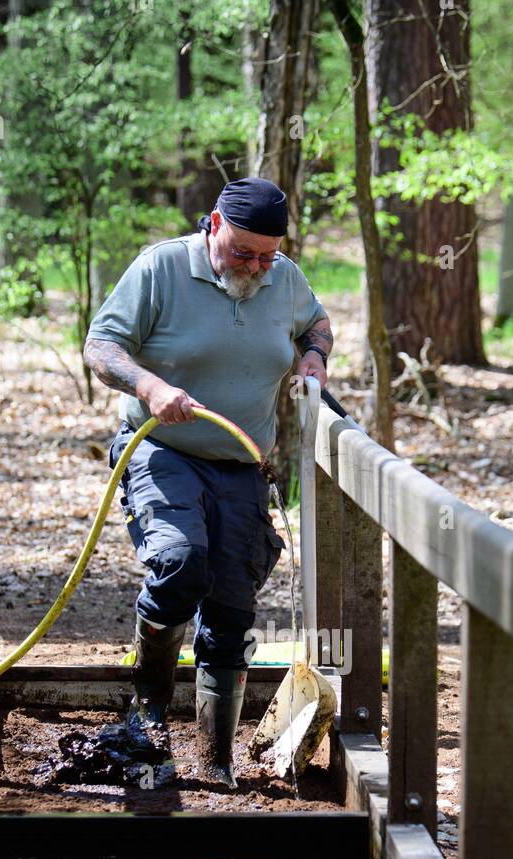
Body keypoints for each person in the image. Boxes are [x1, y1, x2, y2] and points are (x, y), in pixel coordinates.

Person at [84, 176, 333, 788]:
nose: (254, 266)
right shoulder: (160, 268)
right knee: (180, 559)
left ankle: (216, 760)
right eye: (242, 251)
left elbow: (316, 324)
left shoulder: (285, 277)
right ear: (214, 225)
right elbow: (101, 344)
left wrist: (313, 359)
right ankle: (147, 720)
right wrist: (150, 386)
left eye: (266, 255)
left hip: (243, 464)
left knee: (231, 604)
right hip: (163, 450)